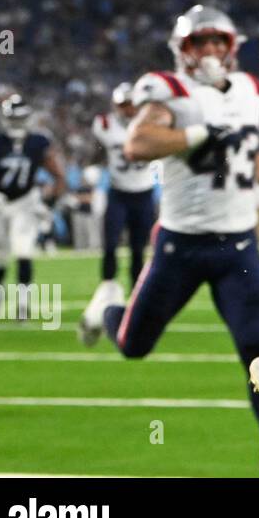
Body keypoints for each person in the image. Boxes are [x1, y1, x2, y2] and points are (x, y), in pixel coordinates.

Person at [77, 5, 259, 478]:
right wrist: (196, 132)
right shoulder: (169, 89)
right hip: (180, 247)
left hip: (237, 247)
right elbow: (138, 143)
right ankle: (105, 304)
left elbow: (243, 155)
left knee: (257, 348)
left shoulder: (250, 90)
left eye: (217, 42)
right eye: (199, 43)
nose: (209, 51)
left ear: (231, 47)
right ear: (183, 50)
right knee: (132, 344)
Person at [0, 94, 66, 319]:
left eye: (21, 119)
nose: (17, 124)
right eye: (13, 119)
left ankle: (23, 304)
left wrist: (49, 203)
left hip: (25, 202)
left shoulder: (39, 141)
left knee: (23, 251)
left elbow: (59, 175)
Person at [78, 82, 158, 344]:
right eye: (123, 104)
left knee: (138, 250)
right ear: (116, 105)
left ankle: (136, 301)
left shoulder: (154, 121)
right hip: (118, 193)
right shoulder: (105, 124)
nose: (127, 109)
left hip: (144, 193)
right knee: (110, 246)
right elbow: (96, 152)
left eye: (130, 103)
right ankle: (107, 293)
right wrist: (92, 167)